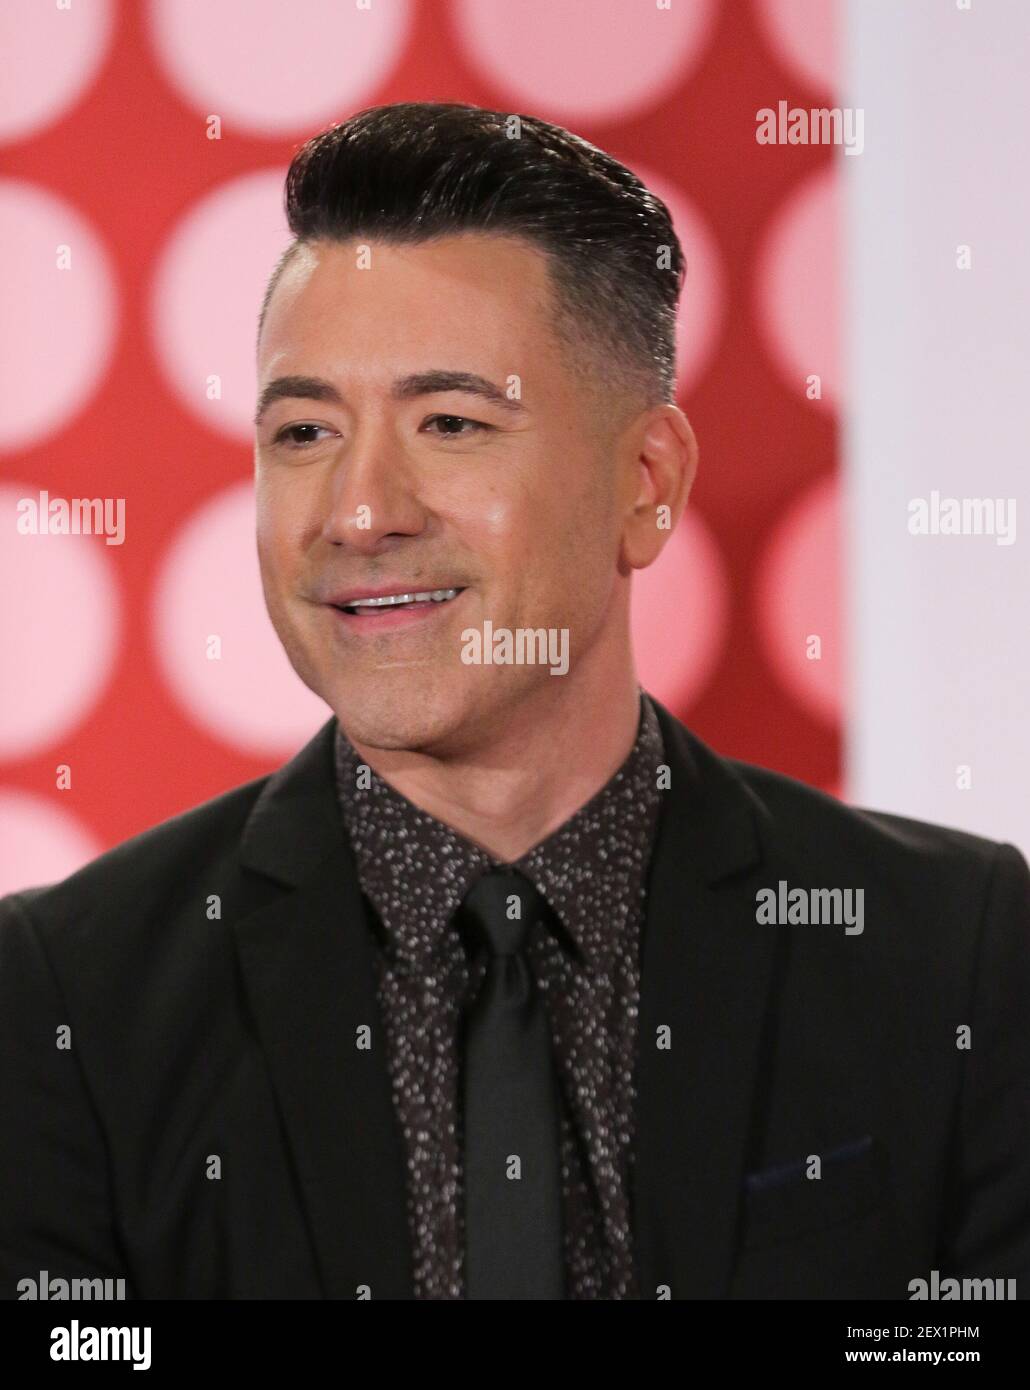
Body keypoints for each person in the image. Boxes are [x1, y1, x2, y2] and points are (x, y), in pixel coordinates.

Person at [1, 102, 1027, 1302]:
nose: (360, 509)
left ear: (645, 486)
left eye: (450, 422)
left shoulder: (957, 953)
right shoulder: (65, 1000)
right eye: (303, 429)